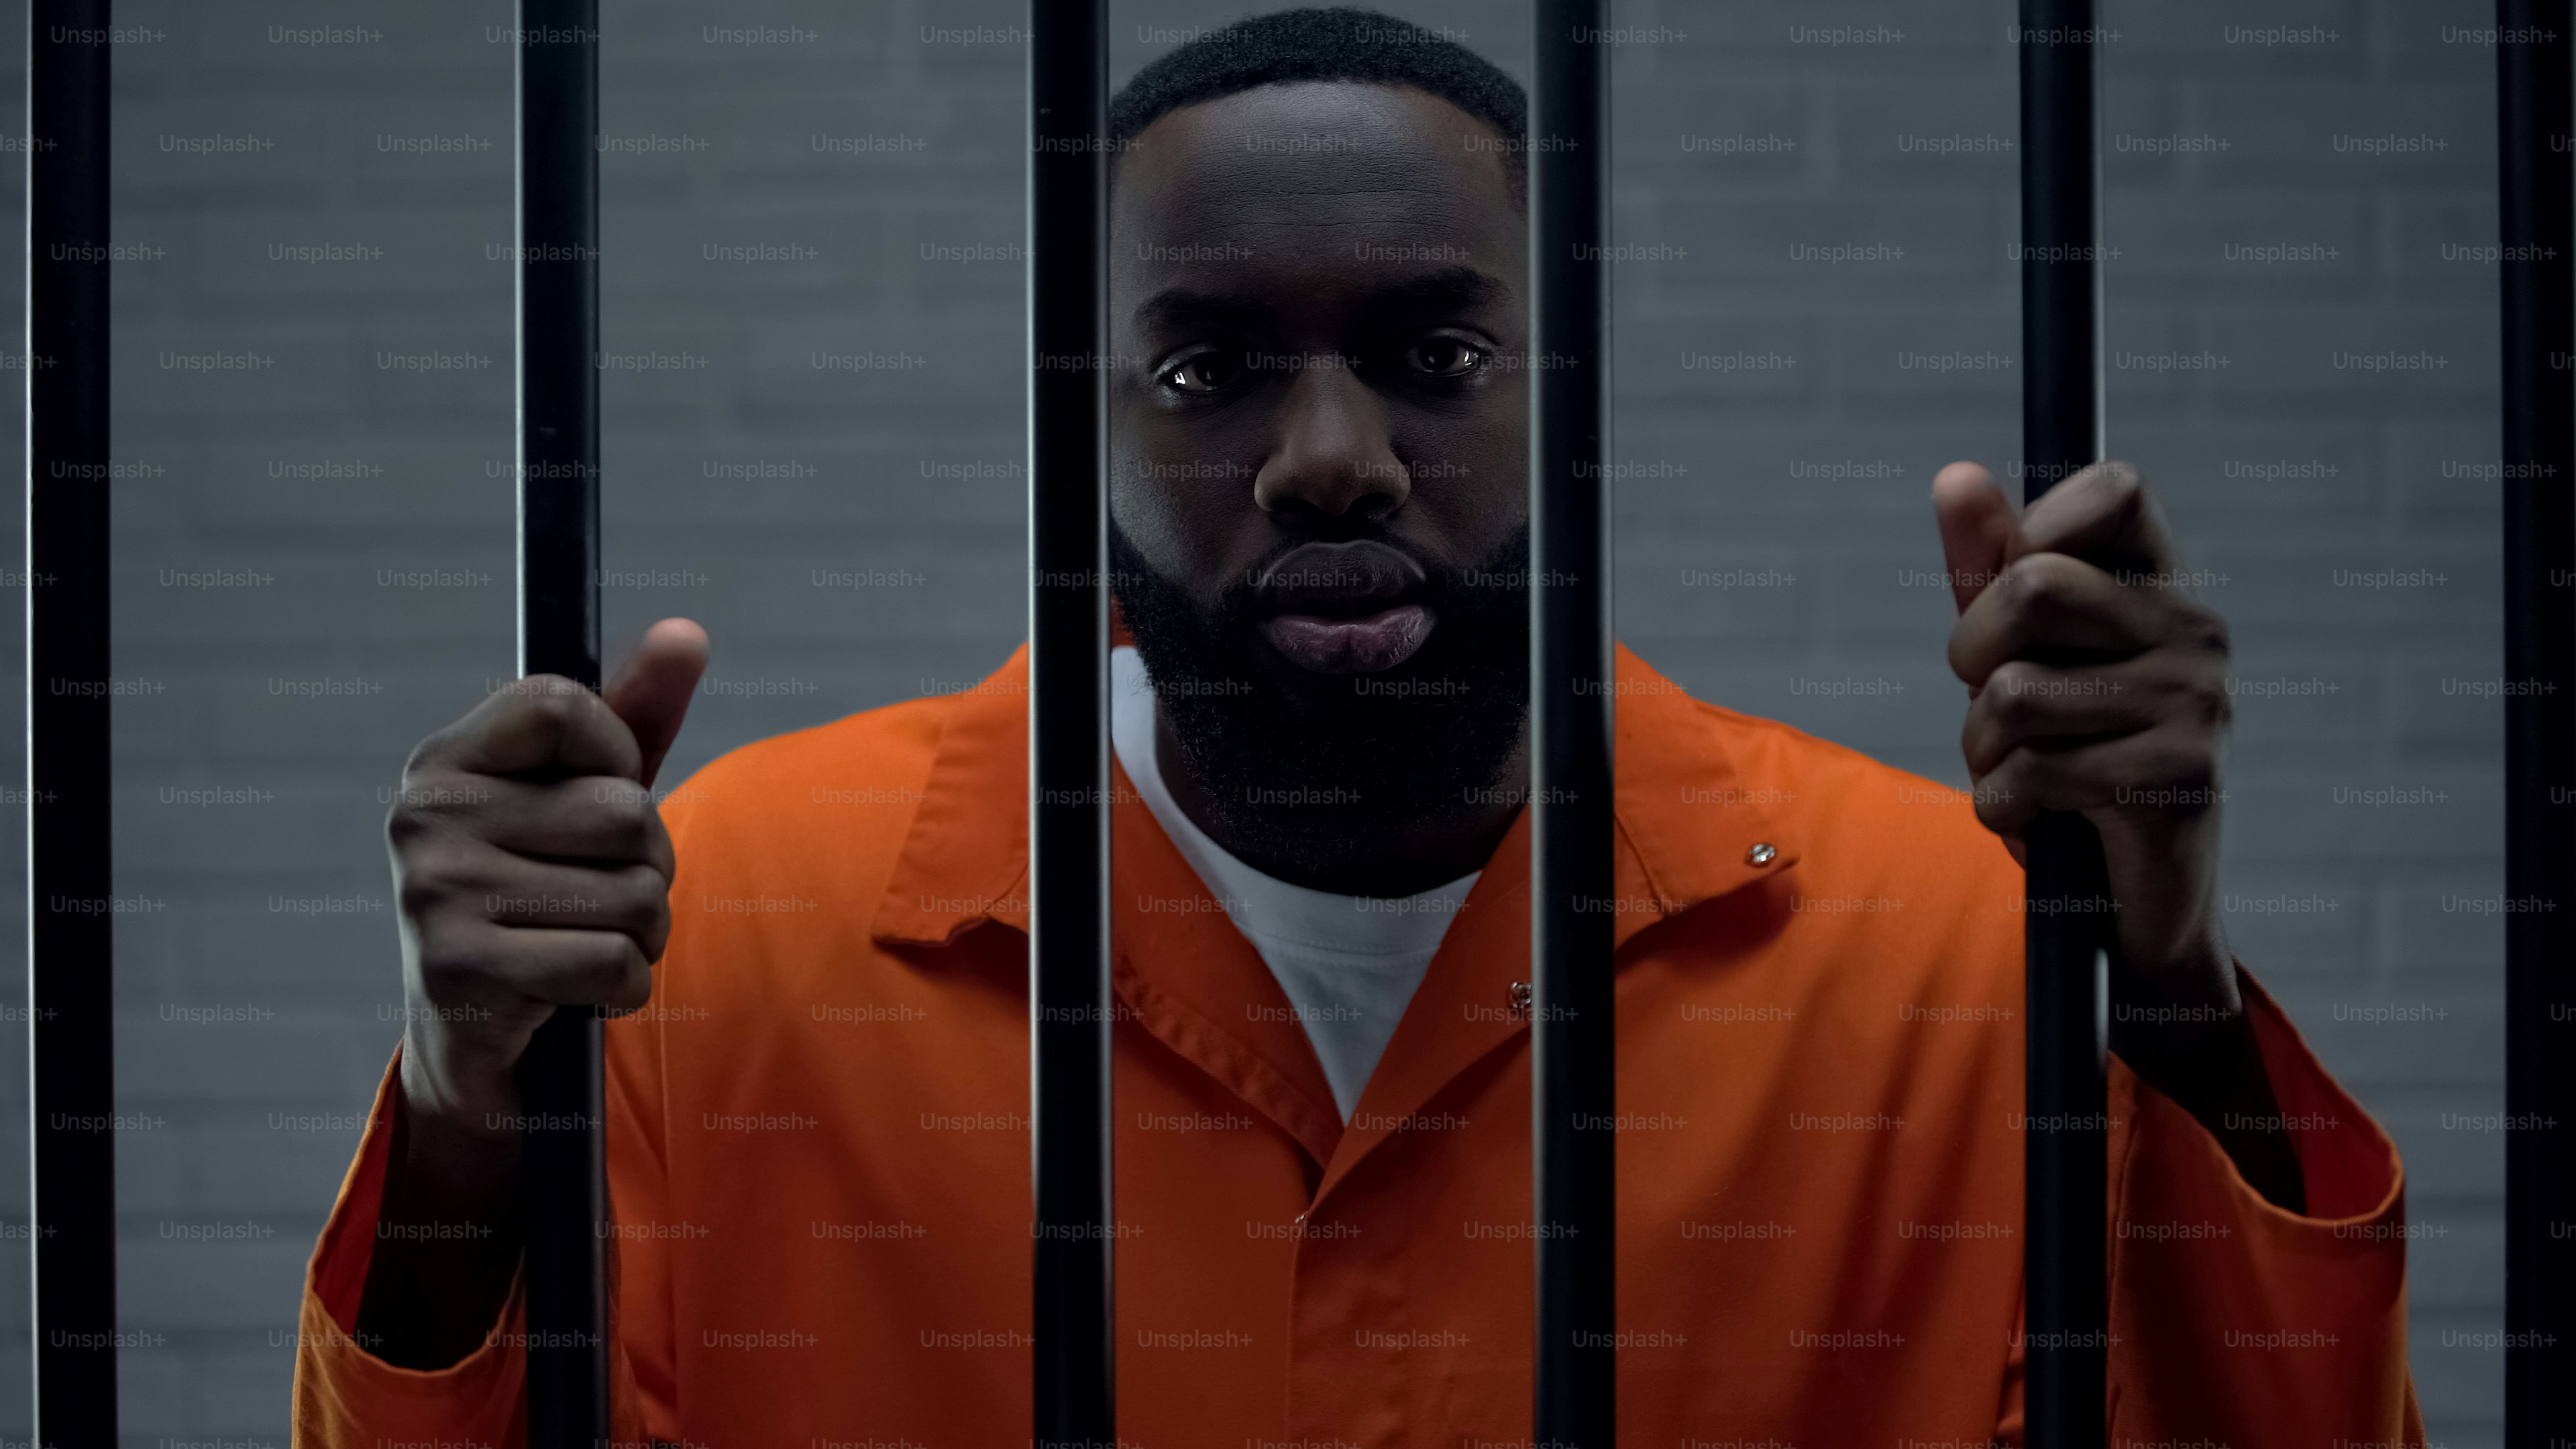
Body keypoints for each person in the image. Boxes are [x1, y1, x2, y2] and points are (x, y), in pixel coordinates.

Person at [293, 9, 2420, 1446]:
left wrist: (2168, 982)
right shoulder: (725, 932)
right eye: (1208, 369)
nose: (1333, 458)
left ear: (1567, 395)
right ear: (1082, 433)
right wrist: (467, 1102)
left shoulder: (1947, 951)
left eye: (1437, 353)